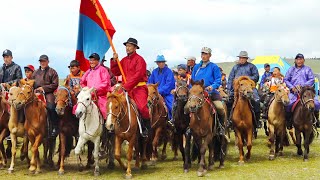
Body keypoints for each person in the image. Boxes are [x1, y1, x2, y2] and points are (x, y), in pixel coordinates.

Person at [110, 37, 150, 137]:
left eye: (130, 46)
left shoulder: (140, 60)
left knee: (142, 108)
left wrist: (126, 86)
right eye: (127, 46)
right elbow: (116, 72)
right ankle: (112, 127)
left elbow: (138, 75)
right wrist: (114, 61)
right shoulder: (123, 60)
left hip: (138, 88)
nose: (127, 48)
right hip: (125, 88)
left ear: (135, 47)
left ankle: (146, 128)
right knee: (113, 104)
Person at [191, 47, 226, 135]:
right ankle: (189, 128)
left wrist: (212, 86)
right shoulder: (196, 67)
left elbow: (218, 80)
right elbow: (193, 80)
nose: (204, 56)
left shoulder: (214, 67)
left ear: (209, 55)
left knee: (220, 107)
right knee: (186, 107)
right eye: (202, 54)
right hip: (198, 93)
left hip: (211, 92)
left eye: (206, 54)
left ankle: (220, 127)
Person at [227, 51, 261, 134]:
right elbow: (231, 78)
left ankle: (256, 121)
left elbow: (256, 77)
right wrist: (229, 89)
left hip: (250, 88)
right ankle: (229, 121)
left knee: (256, 101)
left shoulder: (252, 67)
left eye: (243, 58)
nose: (241, 59)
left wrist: (244, 79)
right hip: (237, 89)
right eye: (240, 58)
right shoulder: (235, 68)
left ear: (246, 59)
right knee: (228, 101)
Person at [284, 53, 320, 128]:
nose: (299, 61)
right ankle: (289, 121)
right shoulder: (291, 69)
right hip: (294, 92)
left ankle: (316, 120)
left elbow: (312, 79)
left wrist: (302, 86)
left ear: (303, 60)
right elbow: (286, 79)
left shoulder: (308, 69)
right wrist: (292, 87)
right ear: (295, 60)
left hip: (306, 92)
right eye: (297, 59)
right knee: (289, 104)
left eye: (301, 59)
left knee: (316, 103)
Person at [0, 49, 22, 157]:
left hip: (13, 92)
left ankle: (17, 126)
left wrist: (6, 84)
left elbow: (19, 80)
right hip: (2, 91)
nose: (6, 58)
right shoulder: (1, 68)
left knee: (12, 107)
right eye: (4, 57)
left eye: (7, 56)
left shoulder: (16, 67)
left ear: (11, 57)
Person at [33, 55, 59, 137]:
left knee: (51, 107)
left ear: (48, 61)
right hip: (36, 93)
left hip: (48, 93)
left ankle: (55, 126)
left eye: (44, 61)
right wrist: (34, 89)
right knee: (26, 106)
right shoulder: (35, 72)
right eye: (41, 61)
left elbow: (55, 85)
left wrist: (43, 88)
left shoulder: (52, 72)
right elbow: (32, 83)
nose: (42, 63)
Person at [80, 53, 111, 120]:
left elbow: (106, 83)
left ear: (98, 61)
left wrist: (96, 89)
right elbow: (82, 82)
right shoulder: (88, 71)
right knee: (79, 107)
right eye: (90, 60)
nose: (91, 62)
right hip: (89, 96)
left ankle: (107, 127)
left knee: (104, 110)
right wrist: (86, 89)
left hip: (101, 96)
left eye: (94, 60)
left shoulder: (103, 70)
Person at [148, 55, 175, 126]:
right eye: (159, 62)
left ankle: (172, 119)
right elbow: (150, 83)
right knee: (147, 104)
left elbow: (169, 84)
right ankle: (146, 122)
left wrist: (159, 91)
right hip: (155, 93)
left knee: (171, 104)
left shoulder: (169, 71)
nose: (161, 63)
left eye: (162, 62)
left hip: (166, 93)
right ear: (157, 63)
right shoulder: (154, 72)